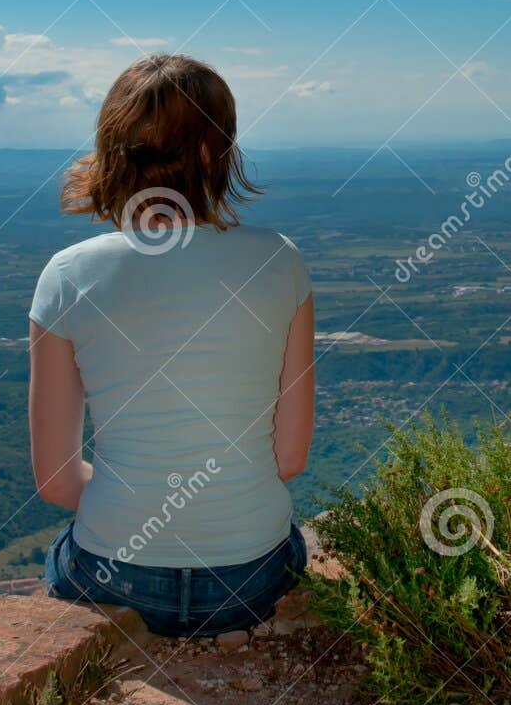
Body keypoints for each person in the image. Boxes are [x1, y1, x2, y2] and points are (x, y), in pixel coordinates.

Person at [29, 53, 314, 638]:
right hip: (250, 578)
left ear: (112, 153)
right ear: (218, 153)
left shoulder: (68, 275)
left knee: (61, 554)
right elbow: (288, 460)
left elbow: (57, 481)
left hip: (117, 575)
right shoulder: (280, 261)